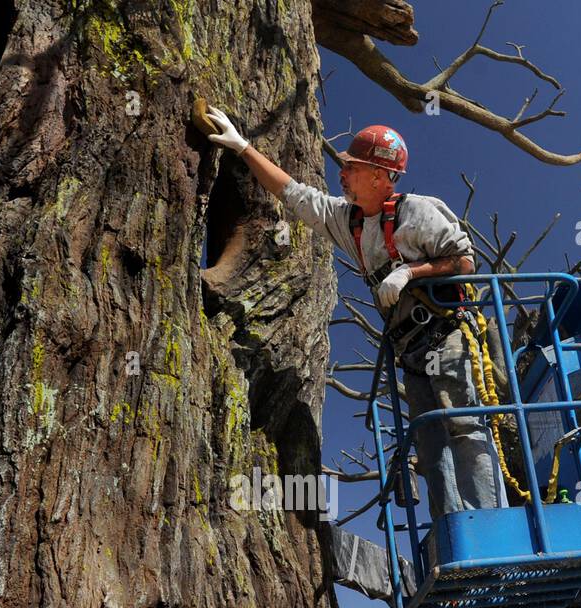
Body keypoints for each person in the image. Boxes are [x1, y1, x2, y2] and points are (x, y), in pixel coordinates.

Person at [203, 107, 505, 520]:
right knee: (431, 445)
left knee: (464, 426)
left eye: (352, 168)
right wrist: (242, 147)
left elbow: (464, 263)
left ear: (380, 176)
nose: (342, 174)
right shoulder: (350, 222)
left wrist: (408, 273)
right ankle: (455, 532)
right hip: (411, 352)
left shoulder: (417, 212)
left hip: (448, 334)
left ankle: (491, 526)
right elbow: (294, 194)